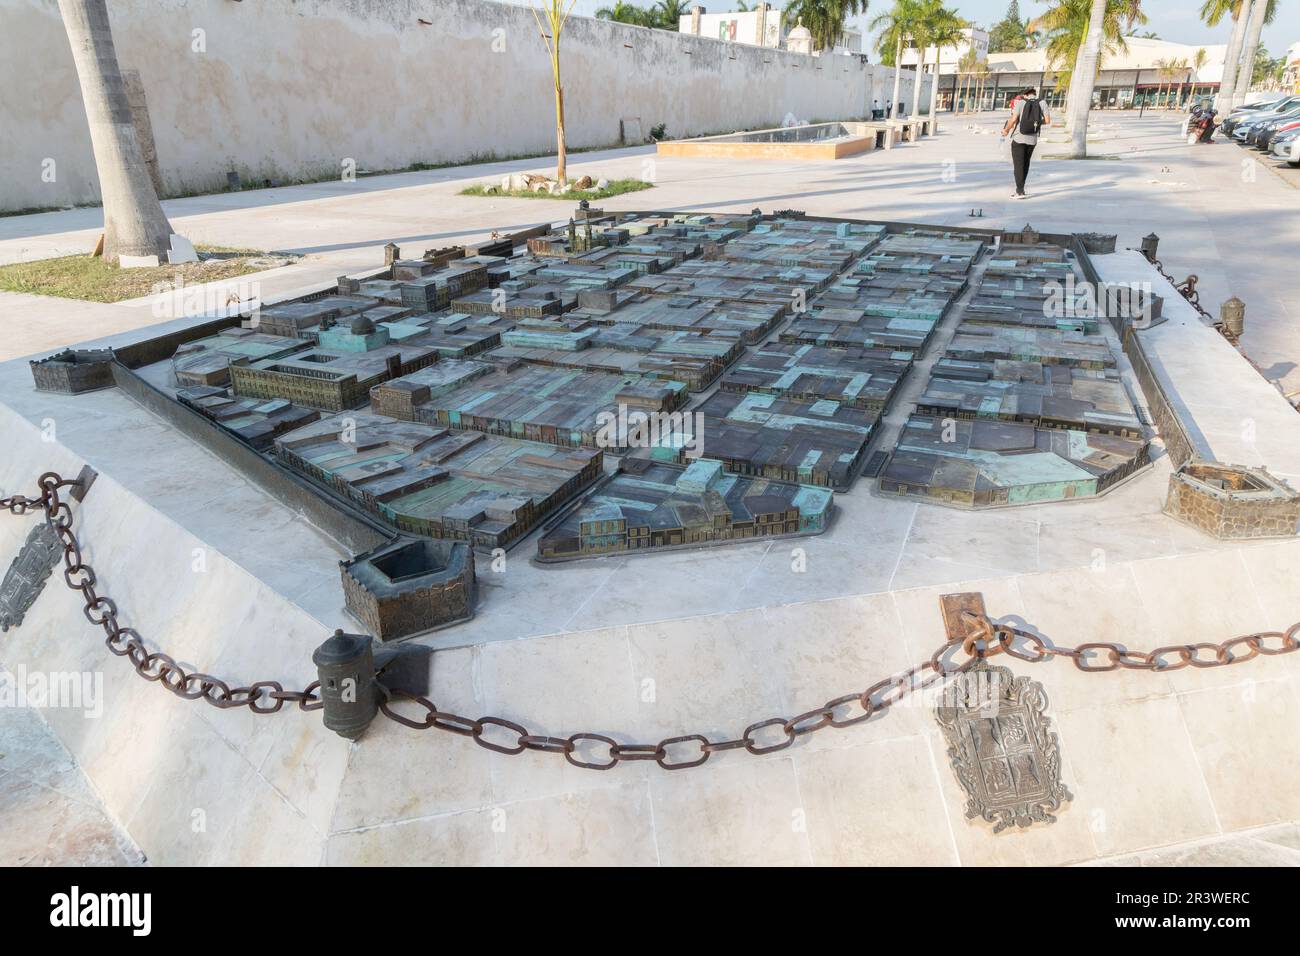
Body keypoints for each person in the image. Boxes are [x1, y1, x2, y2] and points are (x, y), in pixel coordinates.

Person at [1001, 87, 1049, 199]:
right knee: (1026, 164)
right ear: (1034, 94)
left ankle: (1019, 191)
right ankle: (1021, 189)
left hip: (1019, 138)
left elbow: (1013, 120)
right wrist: (1035, 123)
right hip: (1032, 140)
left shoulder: (1020, 102)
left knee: (1018, 165)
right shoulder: (1042, 103)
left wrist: (1006, 130)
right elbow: (1047, 121)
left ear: (1025, 95)